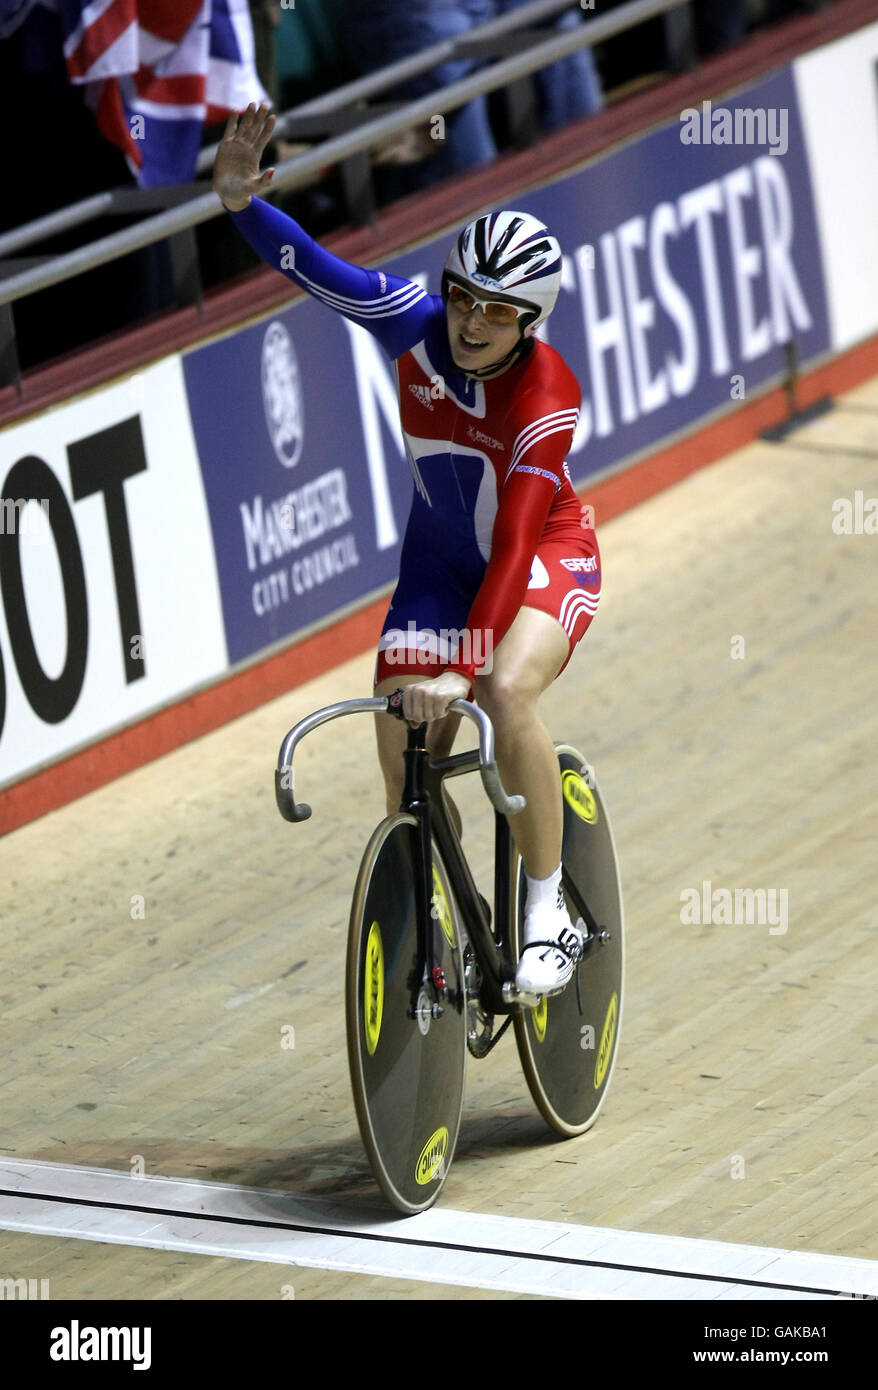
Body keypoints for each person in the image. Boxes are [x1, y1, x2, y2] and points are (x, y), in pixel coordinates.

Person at [213, 103, 602, 997]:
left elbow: (511, 544)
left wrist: (464, 668)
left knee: (503, 690)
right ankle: (443, 927)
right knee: (404, 763)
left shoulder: (547, 396)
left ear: (529, 323)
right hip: (434, 571)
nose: (470, 324)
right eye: (462, 297)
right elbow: (317, 271)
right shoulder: (411, 326)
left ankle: (548, 908)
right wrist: (240, 206)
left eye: (496, 313)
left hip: (543, 558)